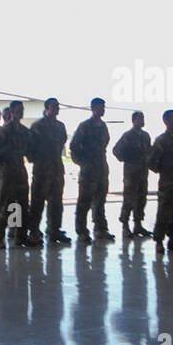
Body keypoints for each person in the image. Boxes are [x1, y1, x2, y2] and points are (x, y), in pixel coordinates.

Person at [0, 101, 34, 249]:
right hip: (6, 172)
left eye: (22, 109)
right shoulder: (3, 131)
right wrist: (5, 158)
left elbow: (29, 149)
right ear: (12, 112)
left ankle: (19, 236)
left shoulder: (24, 131)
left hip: (20, 171)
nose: (21, 112)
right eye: (18, 110)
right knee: (4, 205)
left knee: (20, 205)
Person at [26, 97, 70, 245]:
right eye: (54, 106)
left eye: (58, 106)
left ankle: (54, 231)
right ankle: (33, 231)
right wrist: (37, 160)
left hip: (57, 169)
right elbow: (30, 148)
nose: (57, 108)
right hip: (42, 170)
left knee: (56, 203)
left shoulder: (60, 126)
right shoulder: (38, 126)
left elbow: (62, 144)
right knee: (37, 203)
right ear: (47, 108)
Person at [70, 97, 113, 243]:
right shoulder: (85, 126)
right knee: (84, 201)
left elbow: (105, 143)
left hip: (101, 168)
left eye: (104, 107)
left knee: (100, 200)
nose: (103, 110)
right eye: (101, 107)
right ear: (93, 108)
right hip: (89, 170)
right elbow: (74, 147)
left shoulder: (103, 126)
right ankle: (82, 231)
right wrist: (83, 163)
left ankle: (100, 229)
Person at [147, 109, 173, 254]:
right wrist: (163, 170)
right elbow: (152, 162)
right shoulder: (162, 140)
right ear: (165, 121)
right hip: (167, 183)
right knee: (163, 213)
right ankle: (159, 241)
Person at [113, 111, 152, 239]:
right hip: (131, 172)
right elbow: (117, 151)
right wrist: (128, 159)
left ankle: (138, 224)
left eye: (143, 118)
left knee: (141, 198)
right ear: (134, 120)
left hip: (142, 171)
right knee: (129, 199)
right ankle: (125, 225)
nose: (143, 120)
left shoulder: (146, 136)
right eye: (140, 118)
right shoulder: (128, 135)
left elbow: (149, 152)